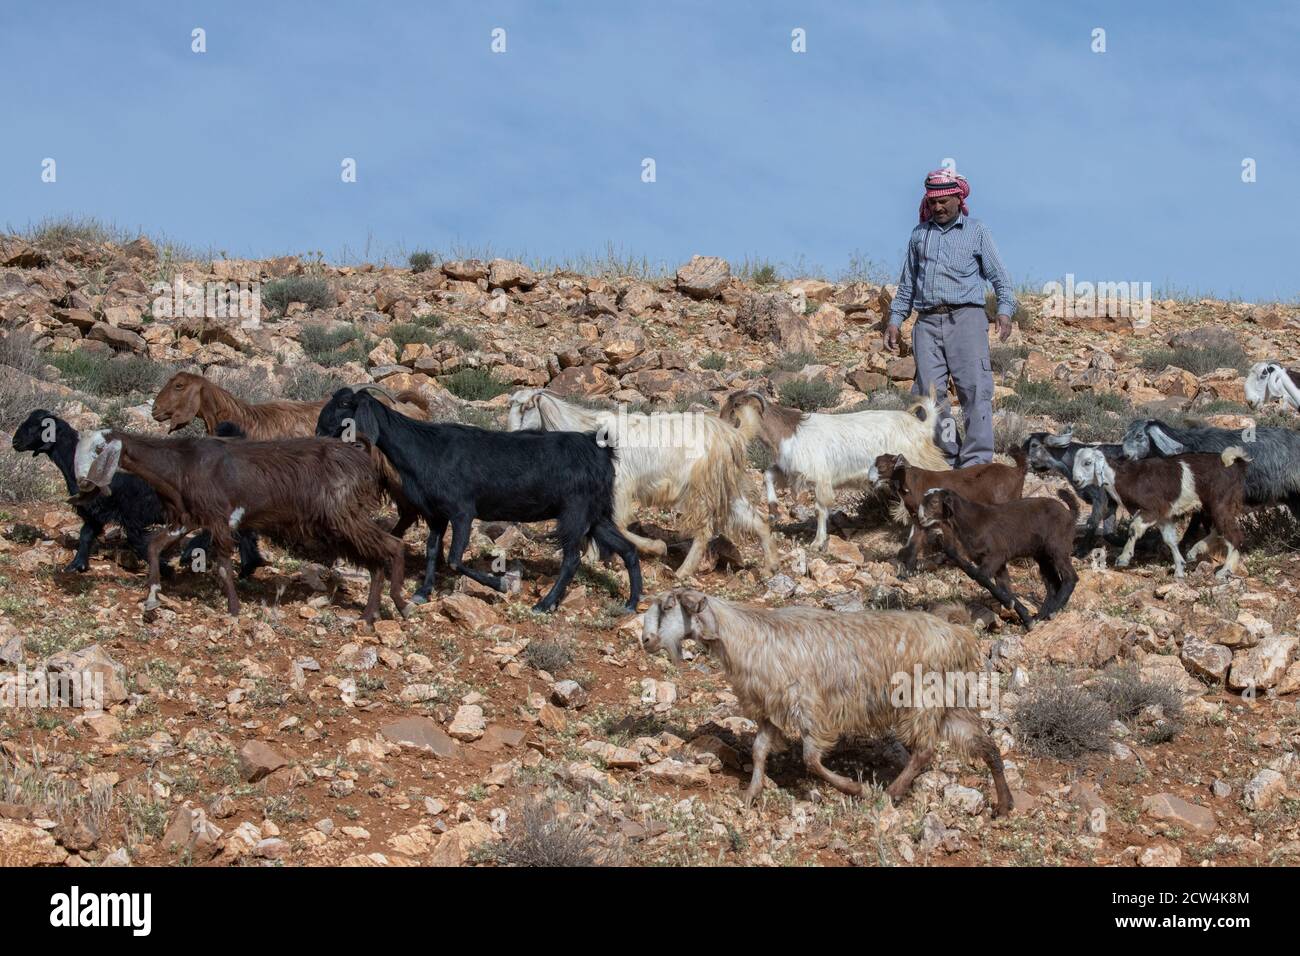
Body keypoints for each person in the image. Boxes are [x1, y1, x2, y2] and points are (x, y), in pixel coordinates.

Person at [885, 168, 1016, 466]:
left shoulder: (976, 231)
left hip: (966, 319)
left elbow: (1000, 278)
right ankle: (947, 456)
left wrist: (1005, 311)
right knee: (930, 398)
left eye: (944, 201)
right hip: (927, 323)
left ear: (958, 199)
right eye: (933, 203)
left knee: (975, 391)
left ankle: (976, 464)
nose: (938, 207)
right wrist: (895, 319)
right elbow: (908, 283)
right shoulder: (919, 236)